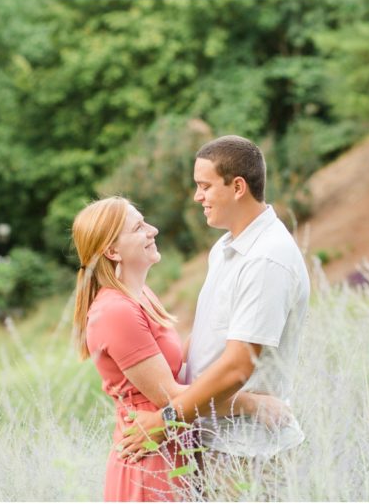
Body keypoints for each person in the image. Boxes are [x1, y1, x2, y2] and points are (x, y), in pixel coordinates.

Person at [117, 135, 310, 491]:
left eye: (204, 186)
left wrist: (165, 420)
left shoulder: (266, 259)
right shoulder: (225, 248)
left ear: (238, 187)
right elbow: (208, 338)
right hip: (209, 442)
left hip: (247, 455)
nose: (197, 197)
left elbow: (239, 366)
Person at [71, 196, 290, 502]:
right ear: (112, 251)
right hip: (150, 466)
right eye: (138, 227)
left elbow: (183, 359)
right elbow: (174, 398)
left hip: (177, 452)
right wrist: (253, 405)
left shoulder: (141, 295)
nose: (153, 230)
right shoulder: (115, 312)